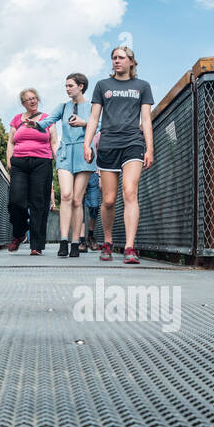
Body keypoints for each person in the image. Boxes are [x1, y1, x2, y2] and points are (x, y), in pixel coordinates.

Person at [83, 45, 153, 264]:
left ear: (131, 61)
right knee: (109, 200)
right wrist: (87, 145)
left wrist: (149, 147)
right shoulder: (103, 85)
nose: (116, 61)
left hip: (133, 143)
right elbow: (94, 118)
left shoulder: (142, 86)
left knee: (130, 192)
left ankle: (130, 247)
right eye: (114, 58)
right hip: (108, 144)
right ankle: (108, 241)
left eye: (121, 57)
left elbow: (146, 119)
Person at [29, 74, 96, 257]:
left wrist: (85, 123)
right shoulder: (63, 106)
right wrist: (36, 125)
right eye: (65, 86)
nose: (67, 89)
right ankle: (63, 241)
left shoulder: (92, 107)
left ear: (81, 86)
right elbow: (48, 121)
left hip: (84, 153)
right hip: (66, 153)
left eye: (70, 85)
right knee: (66, 195)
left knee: (77, 199)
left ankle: (76, 242)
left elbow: (100, 126)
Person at [6, 88, 56, 255]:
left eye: (35, 98)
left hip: (42, 162)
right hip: (19, 163)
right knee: (15, 201)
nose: (33, 101)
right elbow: (11, 142)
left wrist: (60, 163)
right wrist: (9, 161)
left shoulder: (47, 119)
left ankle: (36, 245)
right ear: (23, 103)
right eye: (29, 99)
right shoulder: (16, 119)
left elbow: (54, 141)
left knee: (39, 204)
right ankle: (20, 233)